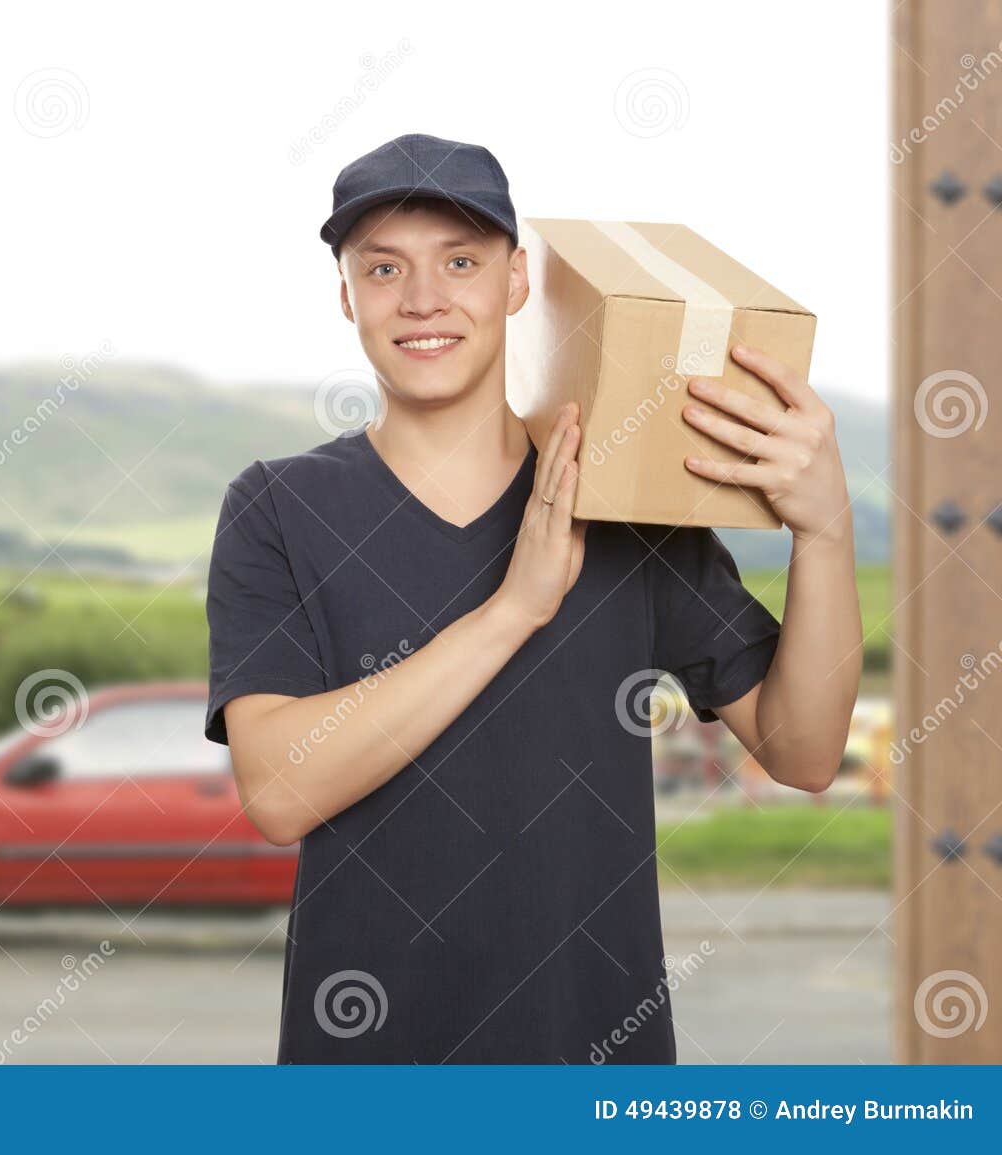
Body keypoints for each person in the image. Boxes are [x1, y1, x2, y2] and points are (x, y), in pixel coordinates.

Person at [203, 133, 862, 1063]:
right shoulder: (279, 506)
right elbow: (277, 792)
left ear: (517, 280)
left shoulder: (622, 502)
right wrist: (513, 608)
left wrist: (825, 532)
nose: (423, 299)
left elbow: (805, 749)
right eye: (384, 267)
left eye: (460, 262)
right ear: (346, 295)